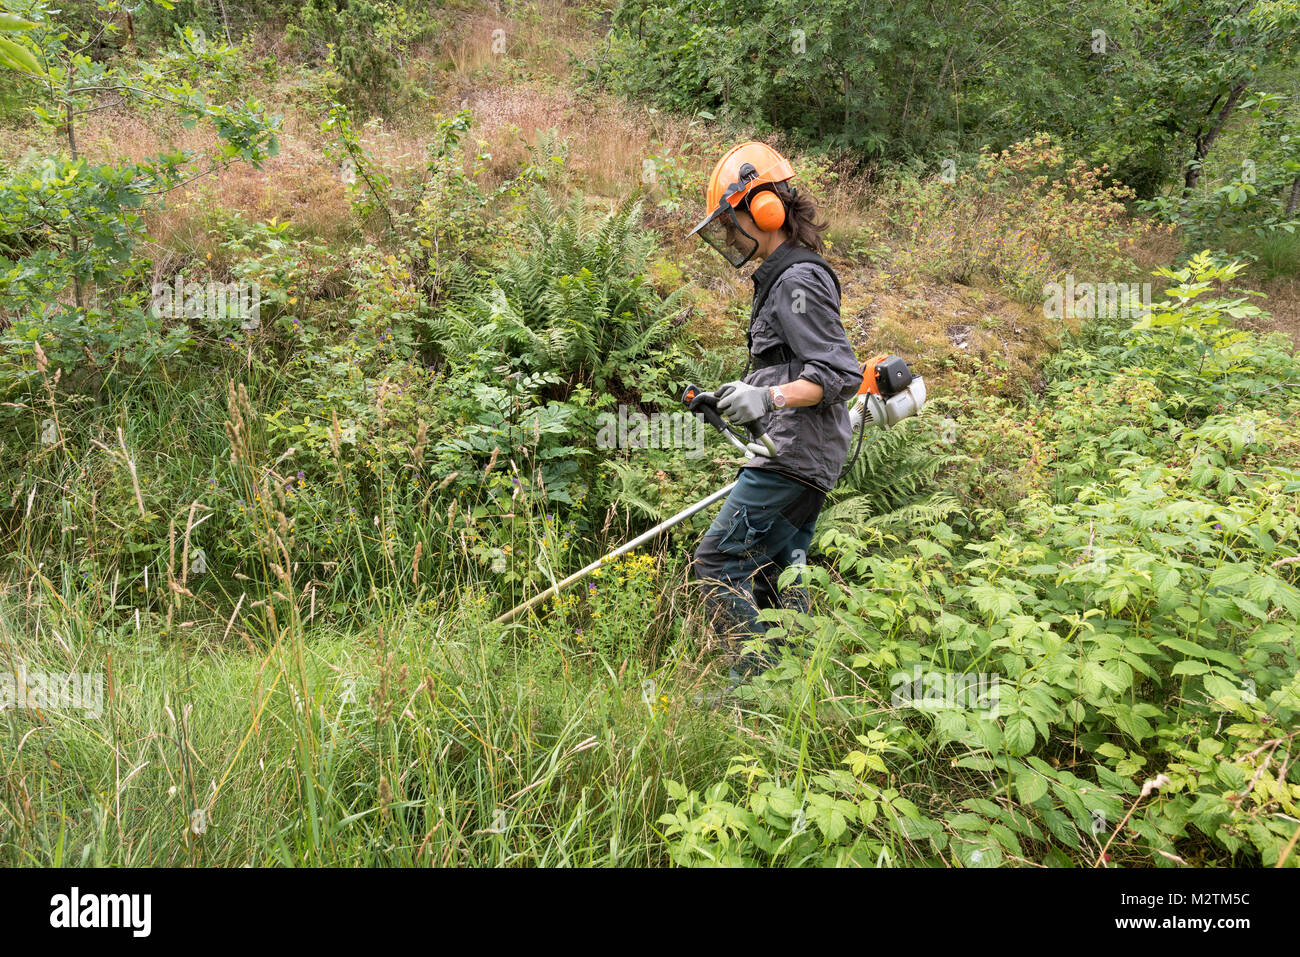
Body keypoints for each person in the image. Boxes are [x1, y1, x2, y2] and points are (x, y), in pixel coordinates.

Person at [686, 142, 863, 681]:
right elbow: (792, 368)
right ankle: (796, 699)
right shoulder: (783, 278)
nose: (731, 235)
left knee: (718, 562)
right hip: (793, 453)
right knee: (777, 577)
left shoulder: (798, 280)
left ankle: (755, 689)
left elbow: (838, 374)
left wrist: (768, 398)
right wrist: (744, 394)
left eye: (732, 219)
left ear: (763, 210)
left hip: (793, 456)